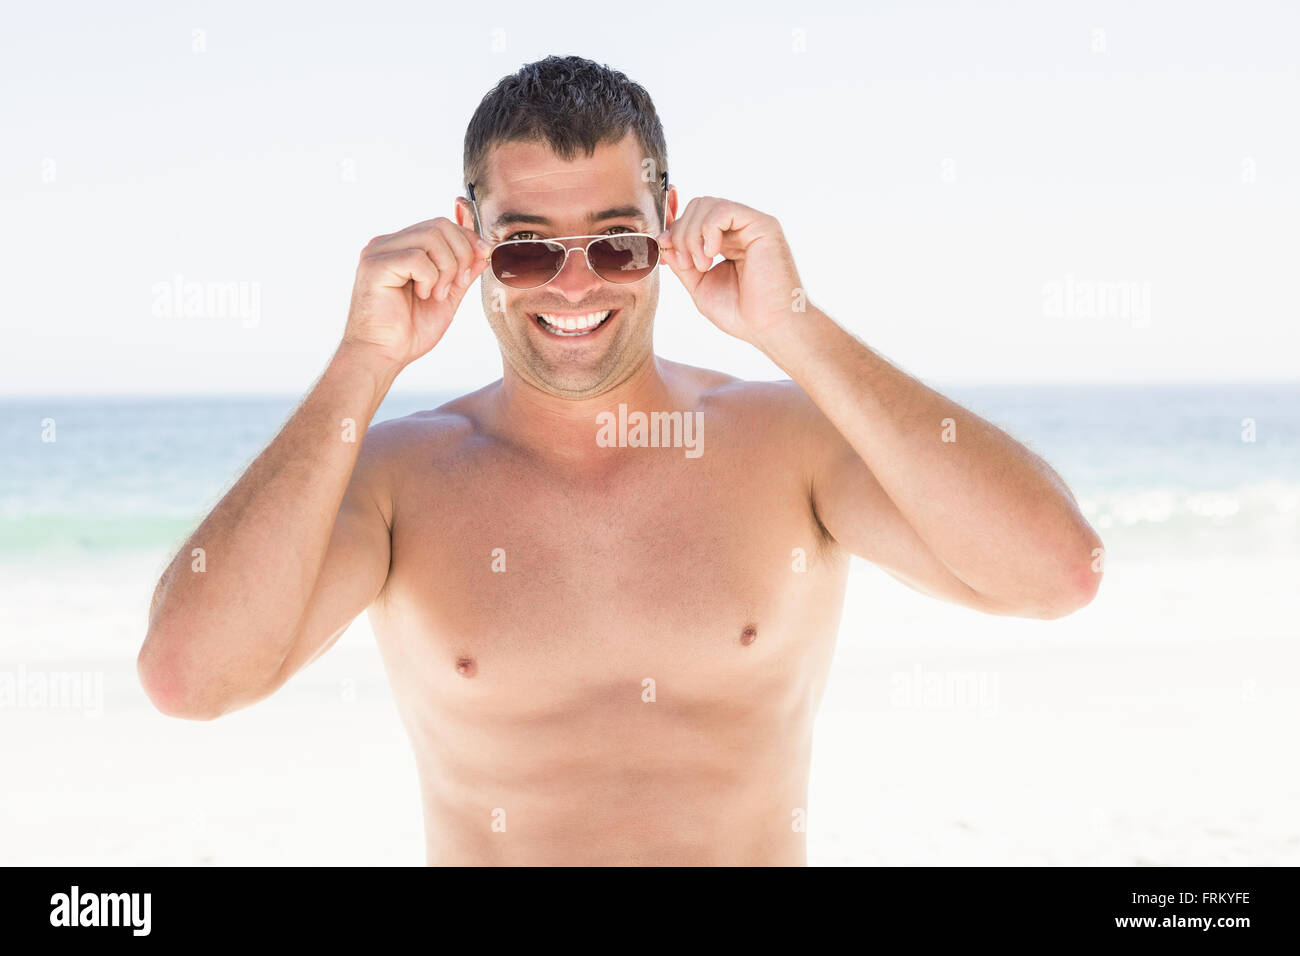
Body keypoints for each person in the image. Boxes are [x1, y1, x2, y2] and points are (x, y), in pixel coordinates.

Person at [138, 55, 1103, 865]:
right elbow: (190, 680)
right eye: (524, 249)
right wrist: (362, 362)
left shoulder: (790, 443)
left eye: (614, 244)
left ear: (668, 223)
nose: (572, 285)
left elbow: (1055, 573)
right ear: (468, 239)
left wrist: (792, 327)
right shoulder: (394, 480)